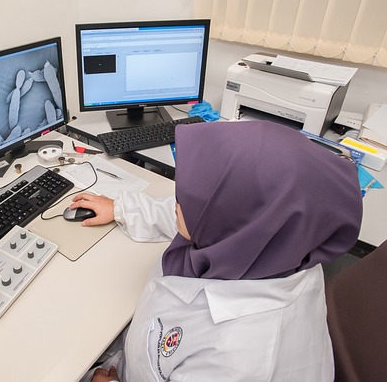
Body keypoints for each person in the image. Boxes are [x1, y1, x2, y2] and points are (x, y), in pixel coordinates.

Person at [71, 120, 363, 382]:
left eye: (186, 198)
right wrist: (121, 207)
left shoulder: (240, 359)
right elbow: (198, 212)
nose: (177, 203)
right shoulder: (277, 240)